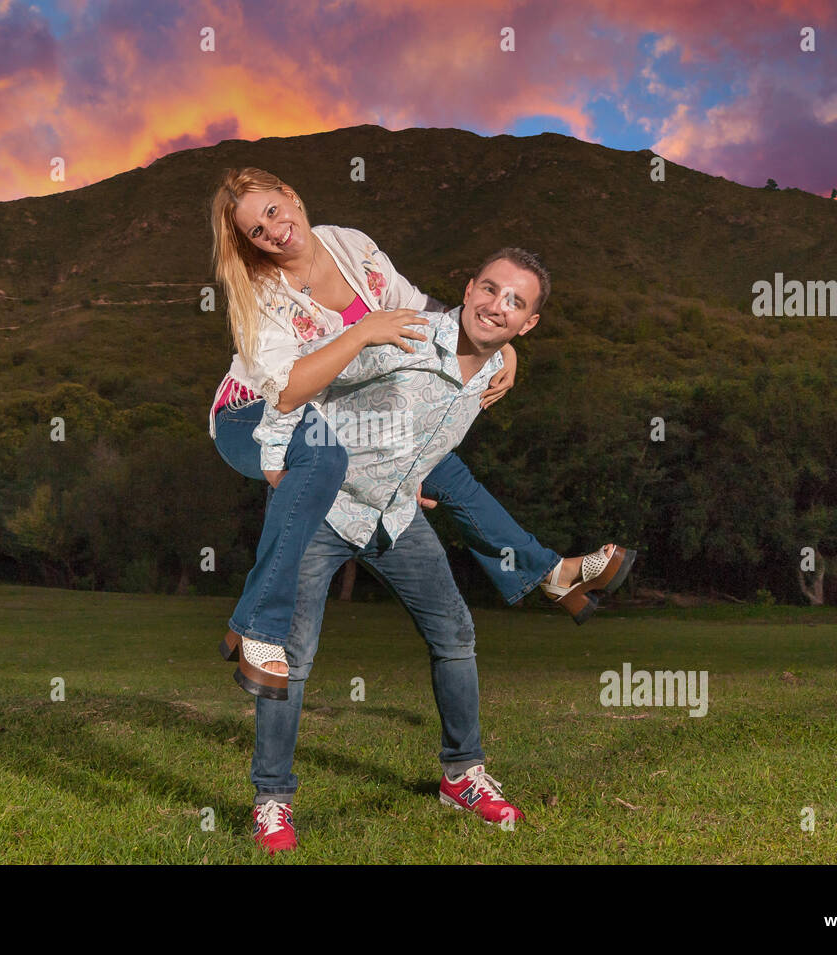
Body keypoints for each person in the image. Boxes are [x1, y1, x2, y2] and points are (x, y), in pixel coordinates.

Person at [247, 249, 636, 854]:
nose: (496, 305)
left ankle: (462, 776)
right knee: (291, 656)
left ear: (527, 325)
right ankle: (273, 801)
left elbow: (422, 439)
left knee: (455, 635)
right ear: (468, 286)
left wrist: (406, 475)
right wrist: (278, 465)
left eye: (515, 302)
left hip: (395, 517)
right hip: (324, 511)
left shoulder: (491, 372)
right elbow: (296, 386)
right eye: (490, 288)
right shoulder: (402, 336)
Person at [208, 167, 628, 701]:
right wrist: (362, 331)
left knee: (442, 465)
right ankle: (256, 627)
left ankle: (553, 574)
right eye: (256, 233)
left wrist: (506, 344)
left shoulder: (351, 246)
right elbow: (287, 391)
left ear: (289, 194)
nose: (274, 231)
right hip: (253, 412)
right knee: (324, 459)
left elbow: (426, 313)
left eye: (271, 211)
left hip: (330, 415)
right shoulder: (262, 289)